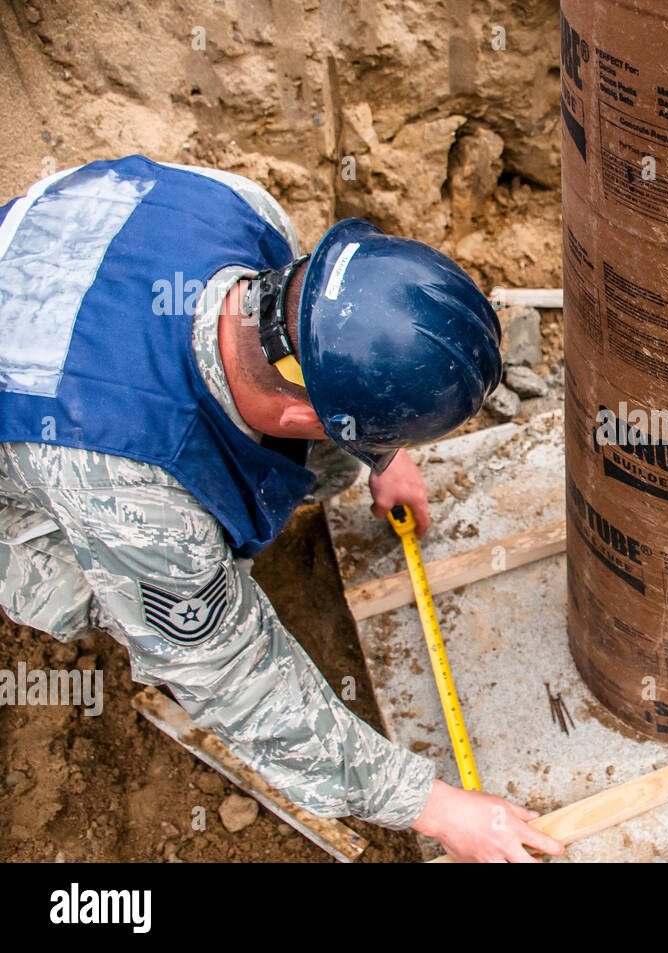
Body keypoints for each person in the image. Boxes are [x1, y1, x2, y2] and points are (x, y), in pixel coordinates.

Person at [0, 155, 562, 862]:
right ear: (301, 410)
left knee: (284, 473)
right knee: (129, 603)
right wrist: (437, 806)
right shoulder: (130, 490)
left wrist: (382, 451)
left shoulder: (242, 210)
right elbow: (235, 683)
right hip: (40, 440)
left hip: (56, 284)